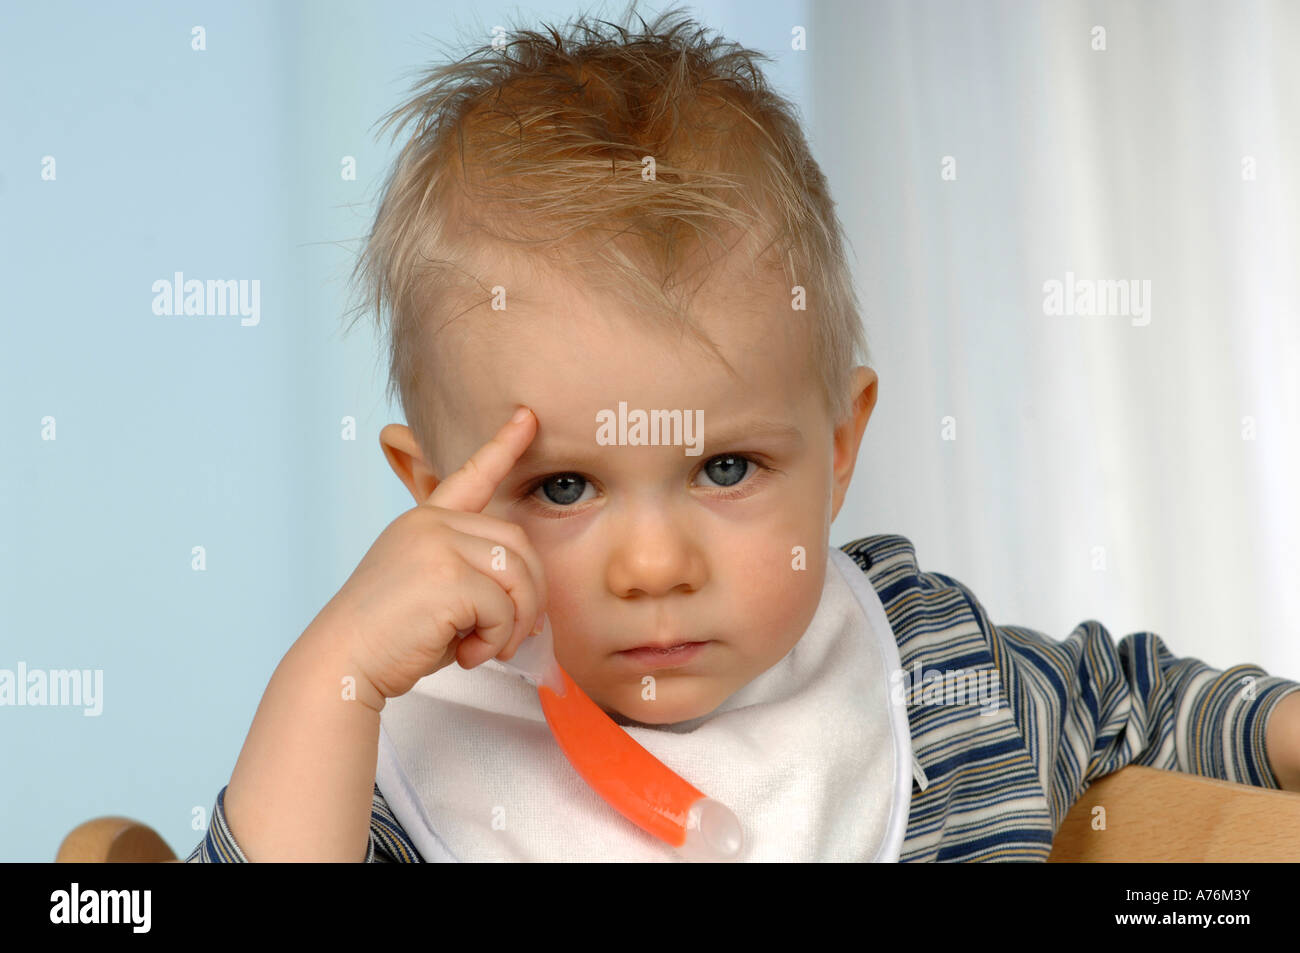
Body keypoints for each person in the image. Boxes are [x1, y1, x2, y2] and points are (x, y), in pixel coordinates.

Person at [187, 6, 1300, 863]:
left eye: (725, 467)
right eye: (564, 486)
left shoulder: (930, 672)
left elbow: (1148, 707)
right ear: (435, 499)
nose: (656, 564)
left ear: (839, 445)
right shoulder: (405, 765)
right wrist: (331, 670)